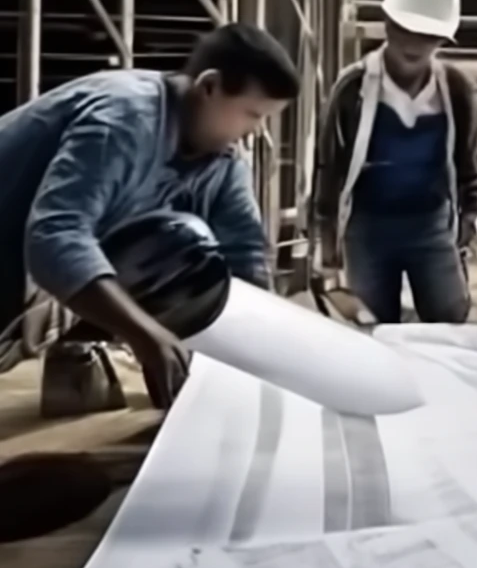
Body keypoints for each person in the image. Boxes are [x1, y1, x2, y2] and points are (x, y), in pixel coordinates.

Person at [0, 22, 300, 413]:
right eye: (251, 114)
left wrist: (262, 354)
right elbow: (54, 238)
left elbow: (245, 260)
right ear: (208, 86)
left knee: (188, 251)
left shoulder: (222, 163)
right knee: (177, 242)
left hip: (11, 268)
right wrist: (144, 335)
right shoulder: (125, 120)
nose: (254, 132)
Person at [314, 0, 477, 325]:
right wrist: (326, 244)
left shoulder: (456, 90)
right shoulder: (353, 89)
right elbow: (329, 166)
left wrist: (471, 214)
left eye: (428, 35)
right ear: (388, 25)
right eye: (406, 29)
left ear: (442, 39)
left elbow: (468, 160)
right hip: (368, 227)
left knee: (450, 317)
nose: (415, 43)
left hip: (430, 223)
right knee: (371, 326)